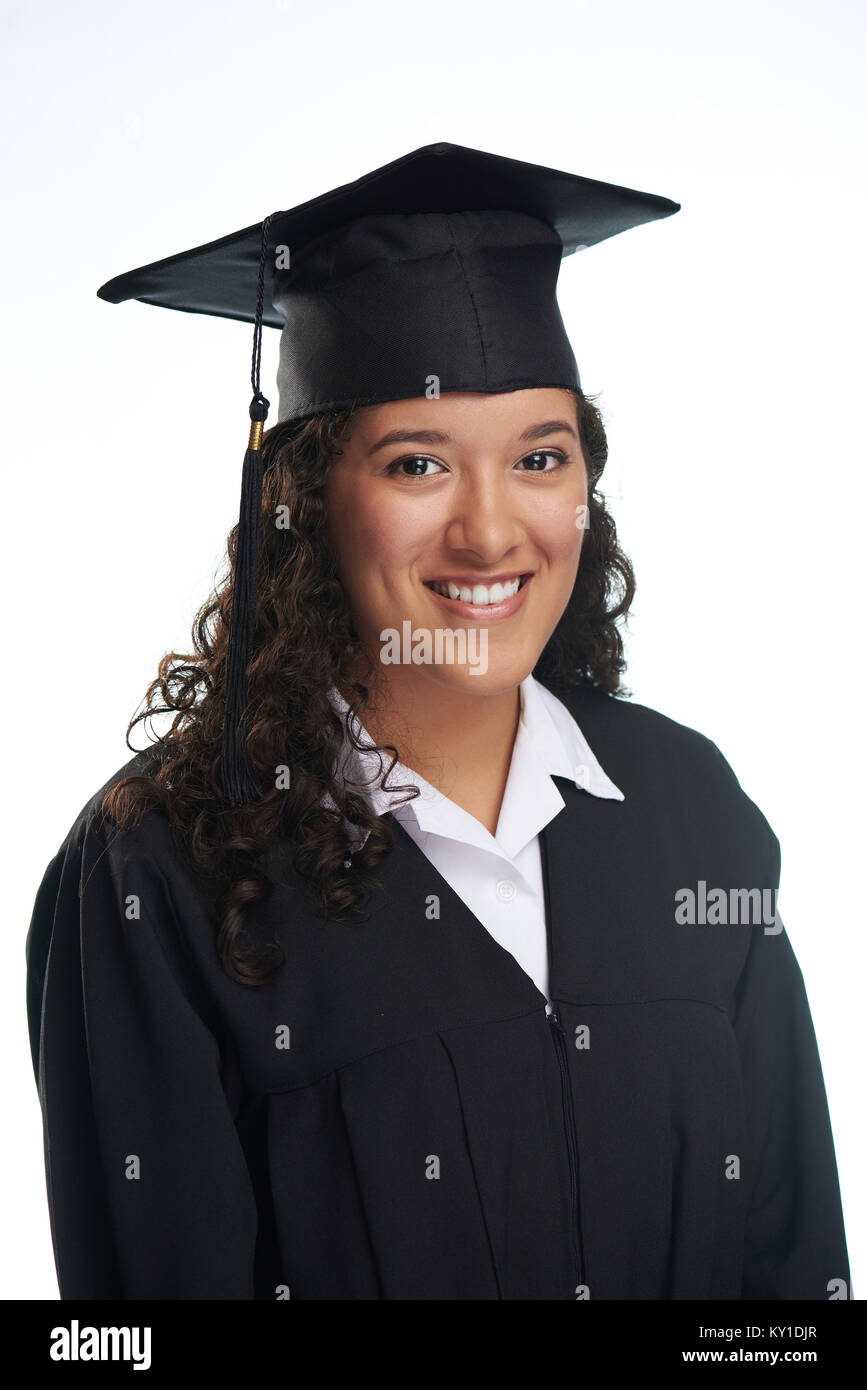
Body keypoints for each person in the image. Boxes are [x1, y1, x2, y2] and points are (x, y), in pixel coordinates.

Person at [25, 142, 850, 1300]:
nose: (489, 531)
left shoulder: (690, 812)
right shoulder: (166, 872)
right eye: (418, 463)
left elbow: (790, 1270)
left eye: (539, 458)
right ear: (304, 496)